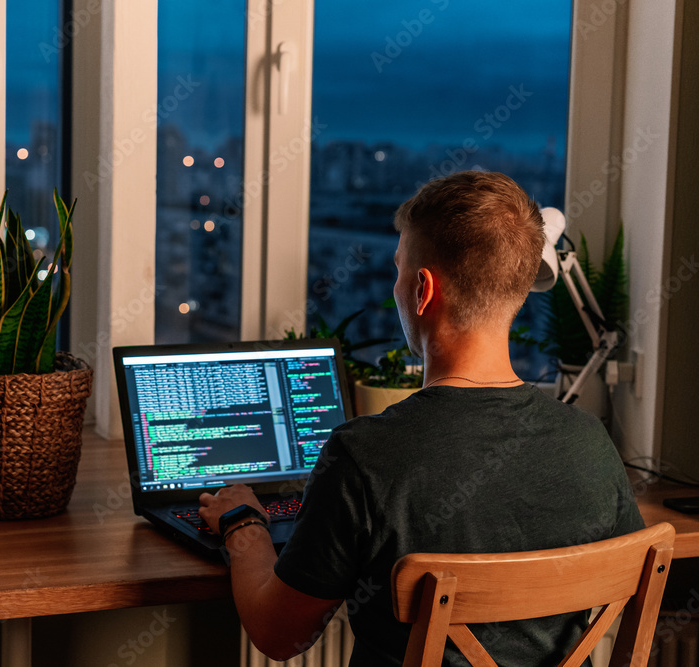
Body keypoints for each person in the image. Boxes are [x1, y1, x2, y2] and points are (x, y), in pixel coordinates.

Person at [199, 171, 644, 665]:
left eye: (399, 269)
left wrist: (242, 523)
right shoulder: (590, 442)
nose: (396, 285)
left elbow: (279, 636)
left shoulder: (365, 456)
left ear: (422, 291)